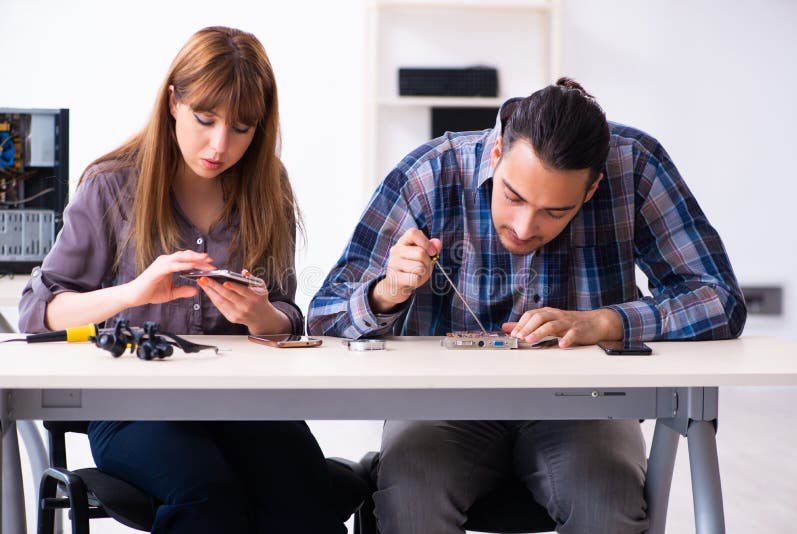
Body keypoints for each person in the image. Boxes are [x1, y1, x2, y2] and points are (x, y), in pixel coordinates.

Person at [308, 78, 746, 533]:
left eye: (555, 211)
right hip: (444, 406)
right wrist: (386, 292)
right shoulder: (431, 172)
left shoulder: (635, 166)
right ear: (496, 154)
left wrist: (608, 321)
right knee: (410, 503)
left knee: (606, 509)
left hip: (587, 403)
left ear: (593, 187)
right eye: (513, 196)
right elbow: (324, 313)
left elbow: (720, 297)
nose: (523, 226)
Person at [19, 26, 344, 534]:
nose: (220, 145)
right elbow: (39, 310)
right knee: (205, 497)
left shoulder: (268, 188)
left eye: (242, 128)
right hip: (132, 408)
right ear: (173, 101)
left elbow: (285, 314)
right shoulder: (111, 186)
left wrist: (262, 316)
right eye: (205, 119)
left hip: (243, 404)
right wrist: (133, 293)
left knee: (305, 499)